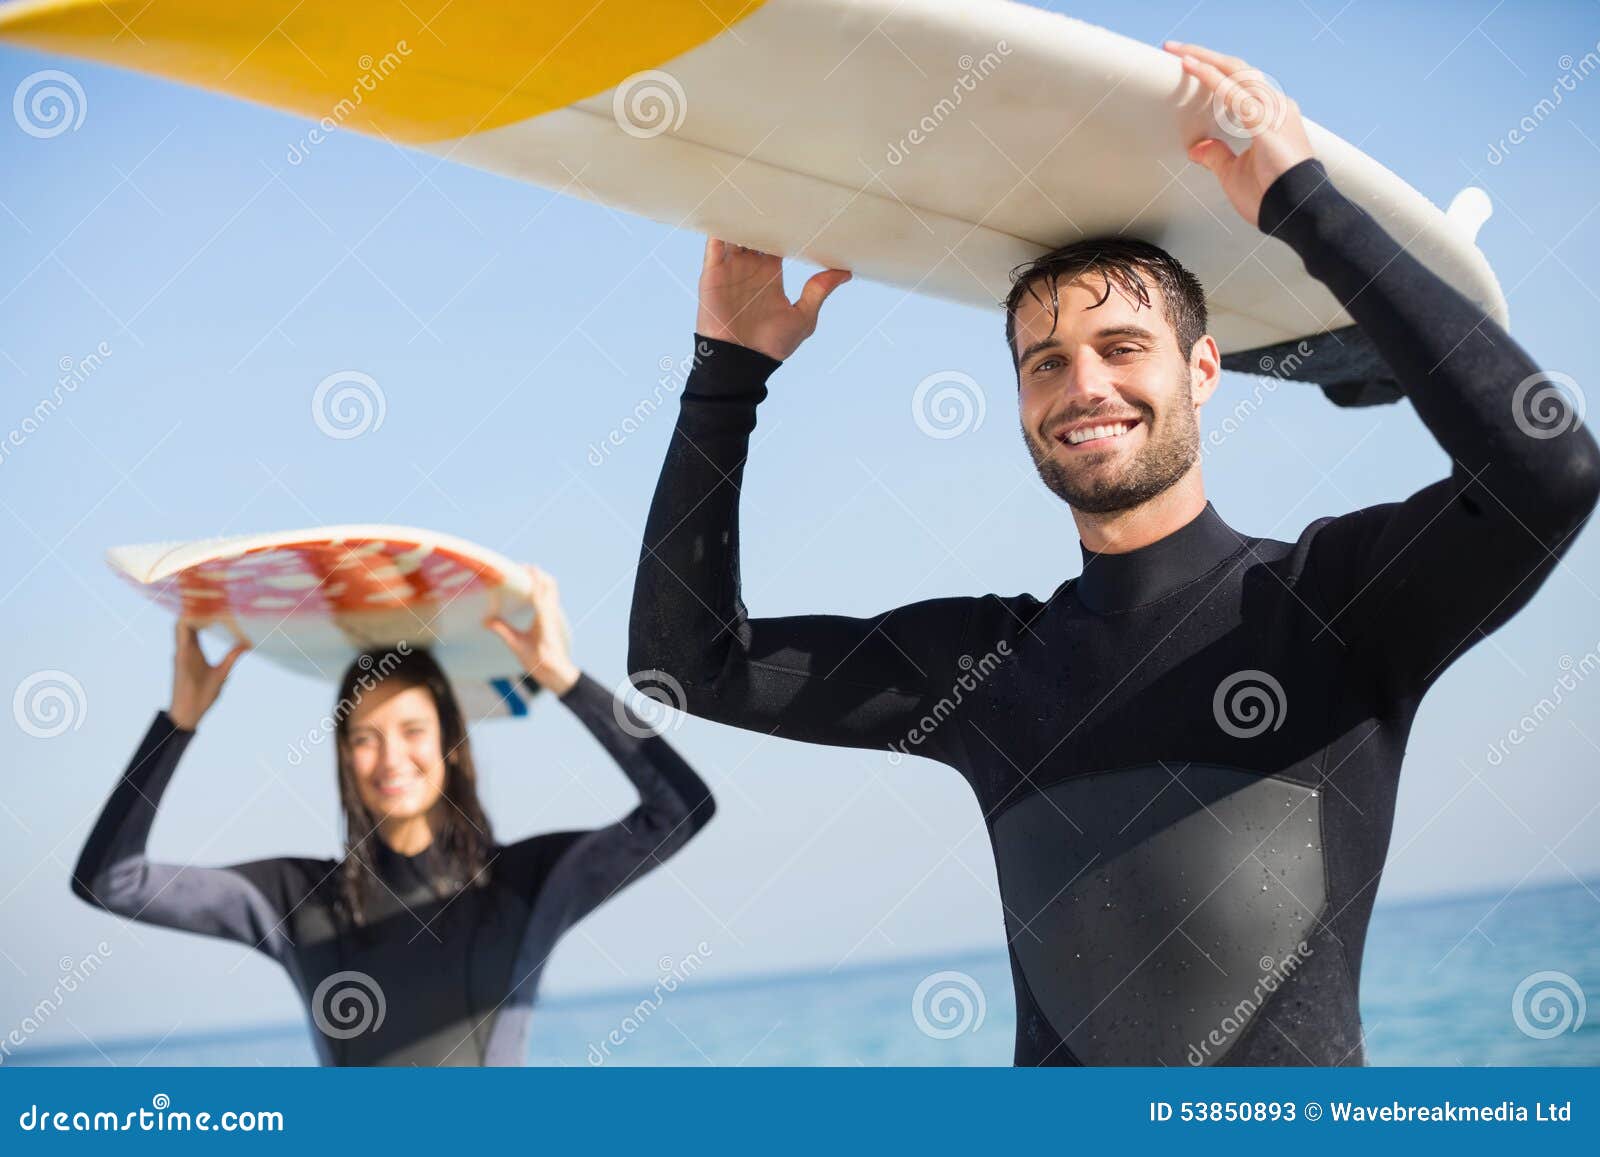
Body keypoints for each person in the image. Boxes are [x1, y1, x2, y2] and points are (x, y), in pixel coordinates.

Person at [628, 41, 1600, 1065]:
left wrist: (1300, 201)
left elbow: (1547, 469)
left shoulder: (1328, 605)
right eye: (1045, 362)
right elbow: (683, 663)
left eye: (1122, 347)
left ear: (1204, 369)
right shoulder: (986, 666)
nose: (1083, 385)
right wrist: (726, 376)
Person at [73, 567, 715, 1066]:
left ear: (448, 743)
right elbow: (110, 882)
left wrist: (565, 678)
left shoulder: (526, 883)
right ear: (344, 756)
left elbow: (681, 810)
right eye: (365, 737)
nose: (390, 758)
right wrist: (177, 723)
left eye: (412, 729)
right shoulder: (296, 900)